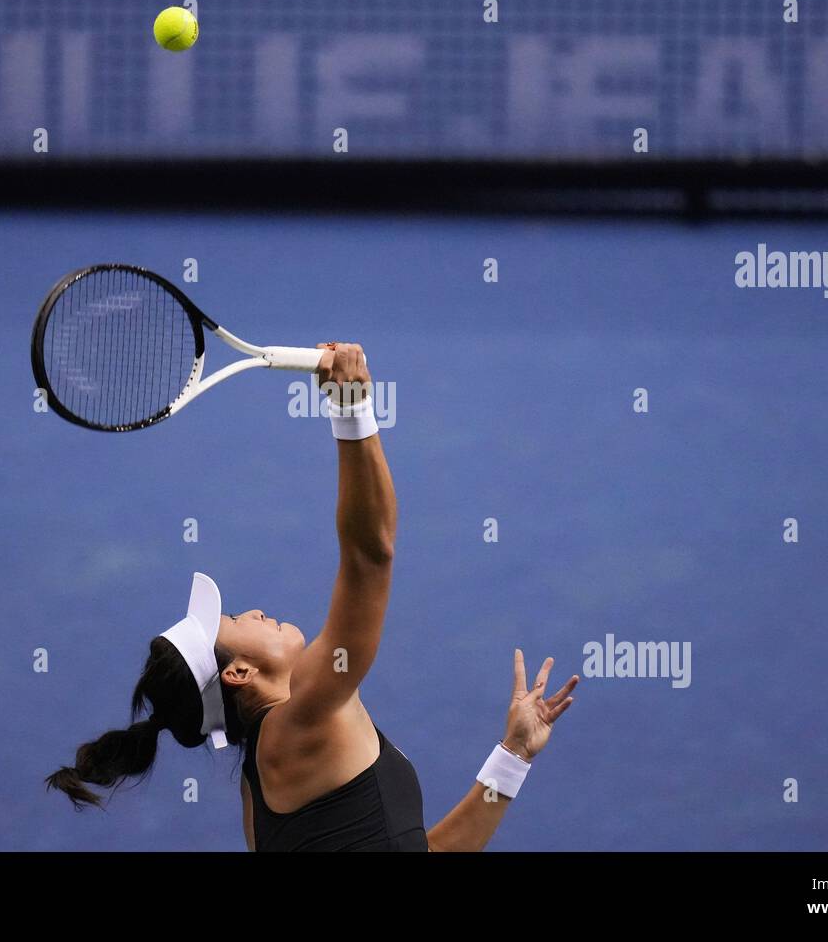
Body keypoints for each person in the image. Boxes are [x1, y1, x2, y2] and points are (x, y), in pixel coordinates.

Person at [47, 343, 579, 850]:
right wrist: (352, 408)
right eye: (233, 618)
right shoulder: (303, 718)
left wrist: (514, 755)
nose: (253, 610)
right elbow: (371, 556)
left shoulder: (258, 793)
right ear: (238, 674)